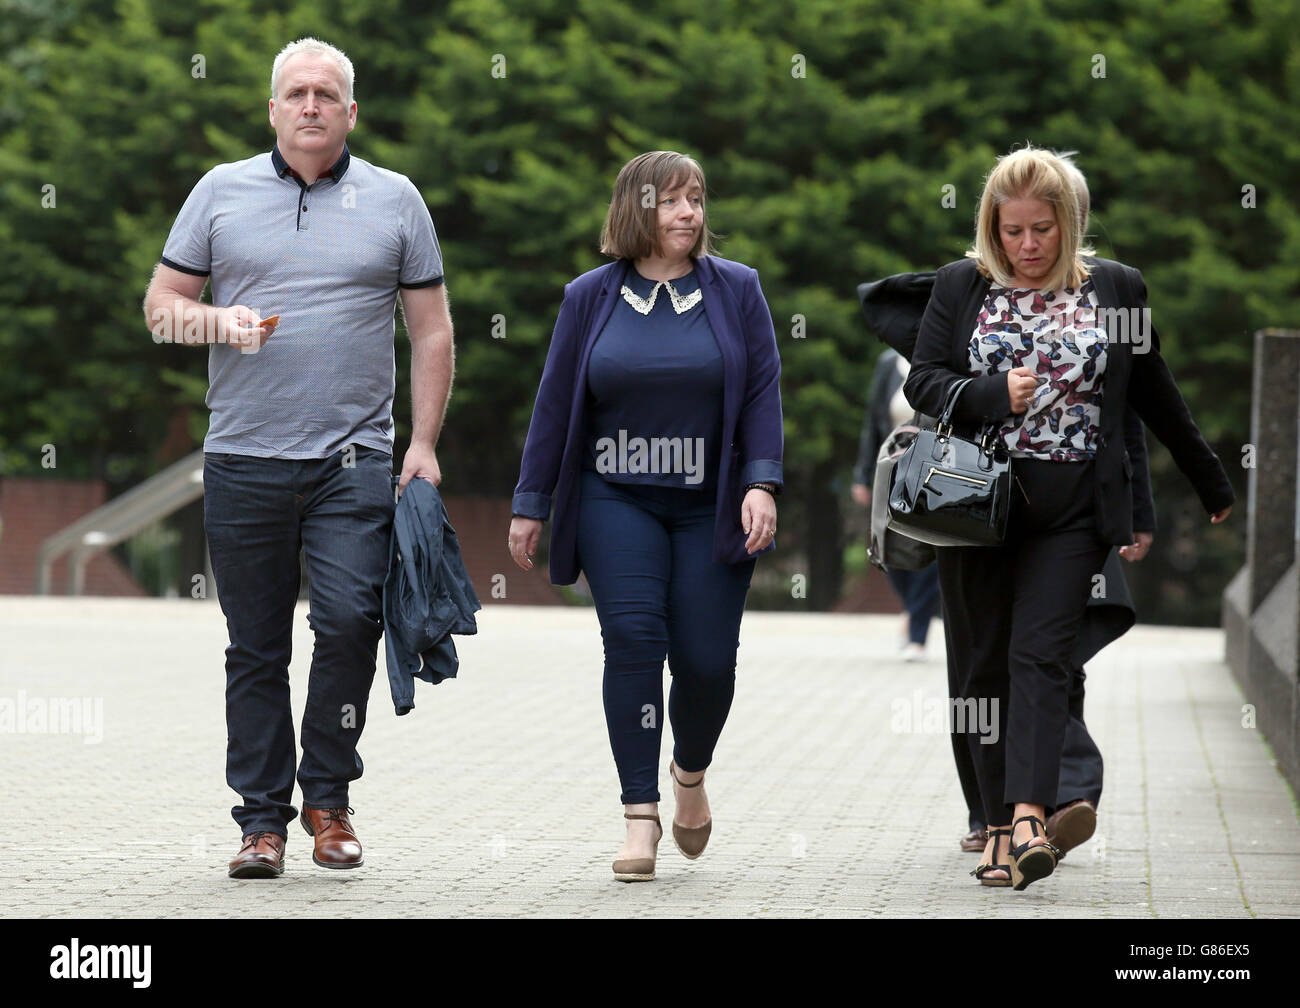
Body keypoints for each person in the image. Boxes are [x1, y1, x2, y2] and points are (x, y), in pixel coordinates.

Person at [143, 37, 454, 879]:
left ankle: (329, 800)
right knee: (254, 646)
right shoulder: (219, 192)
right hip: (243, 457)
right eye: (296, 93)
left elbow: (431, 330)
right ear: (272, 109)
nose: (310, 105)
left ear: (352, 113)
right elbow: (162, 309)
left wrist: (421, 444)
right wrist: (221, 323)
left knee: (351, 621)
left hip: (354, 458)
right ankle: (261, 823)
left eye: (326, 93)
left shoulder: (396, 201)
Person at [904, 144, 1233, 890]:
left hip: (1074, 511)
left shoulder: (1115, 288)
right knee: (983, 667)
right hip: (975, 505)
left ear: (1070, 223)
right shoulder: (963, 285)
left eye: (1041, 231)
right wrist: (992, 394)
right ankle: (991, 822)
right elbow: (926, 380)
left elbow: (1153, 393)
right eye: (1012, 230)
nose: (1025, 247)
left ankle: (1027, 817)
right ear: (993, 225)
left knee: (1041, 658)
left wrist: (1210, 479)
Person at [508, 151, 783, 882]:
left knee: (706, 662)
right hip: (615, 495)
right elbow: (557, 403)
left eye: (697, 199)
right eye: (672, 201)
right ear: (638, 209)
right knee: (633, 640)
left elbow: (760, 393)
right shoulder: (589, 297)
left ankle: (688, 775)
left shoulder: (739, 291)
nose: (689, 212)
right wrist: (531, 502)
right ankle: (639, 816)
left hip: (710, 503)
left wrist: (761, 482)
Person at [850, 347, 940, 660]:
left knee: (928, 550)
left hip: (933, 472)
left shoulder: (942, 356)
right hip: (890, 470)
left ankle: (918, 634)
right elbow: (872, 422)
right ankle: (911, 608)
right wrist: (862, 476)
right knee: (887, 548)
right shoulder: (888, 363)